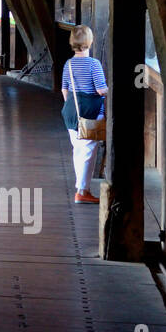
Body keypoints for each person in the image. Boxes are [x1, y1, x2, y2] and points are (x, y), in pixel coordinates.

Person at [61, 25, 107, 204]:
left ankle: (81, 187)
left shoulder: (69, 64)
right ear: (90, 41)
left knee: (78, 150)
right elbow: (101, 90)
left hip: (72, 112)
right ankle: (82, 190)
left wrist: (72, 105)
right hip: (92, 112)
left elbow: (65, 89)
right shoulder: (93, 64)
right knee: (88, 151)